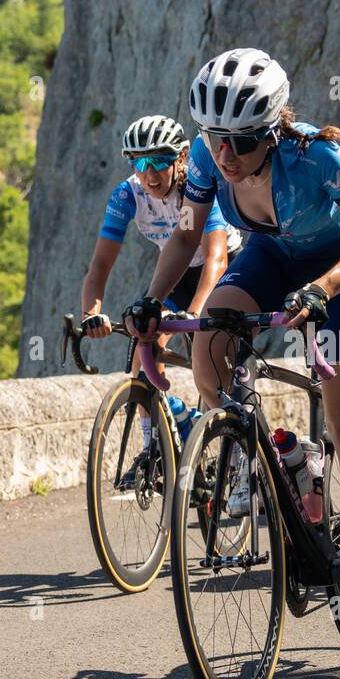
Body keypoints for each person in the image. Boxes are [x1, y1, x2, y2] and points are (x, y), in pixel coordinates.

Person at [125, 48, 340, 638]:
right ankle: (283, 455)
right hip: (272, 256)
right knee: (210, 352)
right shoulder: (204, 156)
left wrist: (323, 289)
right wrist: (152, 299)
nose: (224, 155)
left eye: (240, 142)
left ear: (272, 131)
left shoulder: (318, 156)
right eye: (213, 137)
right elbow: (187, 232)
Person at [79, 114, 241, 484]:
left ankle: (241, 455)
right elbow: (99, 265)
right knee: (145, 345)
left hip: (224, 269)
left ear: (181, 158)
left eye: (159, 162)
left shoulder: (196, 189)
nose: (150, 174)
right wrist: (92, 312)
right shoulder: (127, 195)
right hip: (178, 272)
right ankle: (155, 445)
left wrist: (197, 313)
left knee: (217, 373)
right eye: (140, 163)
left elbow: (215, 258)